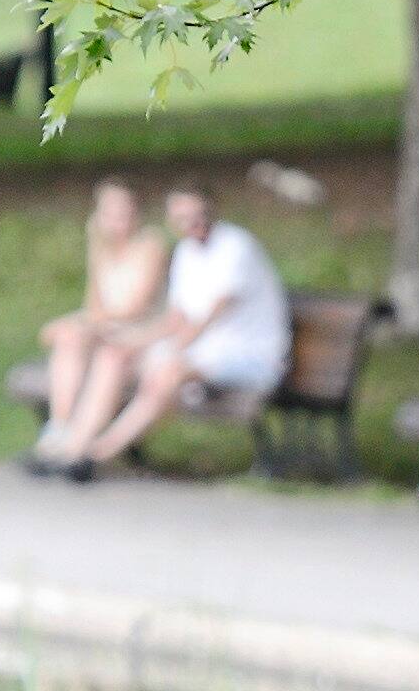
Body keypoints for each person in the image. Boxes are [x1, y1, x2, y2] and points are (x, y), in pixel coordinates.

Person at [52, 188, 291, 479]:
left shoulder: (235, 246)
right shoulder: (186, 253)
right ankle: (72, 447)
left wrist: (167, 352)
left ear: (212, 211)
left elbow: (207, 319)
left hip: (248, 356)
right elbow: (176, 319)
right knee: (114, 356)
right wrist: (132, 343)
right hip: (201, 353)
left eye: (197, 215)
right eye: (181, 217)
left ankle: (98, 453)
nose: (191, 223)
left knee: (167, 372)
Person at [26, 180, 171, 473]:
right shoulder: (98, 239)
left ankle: (78, 447)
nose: (117, 221)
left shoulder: (151, 244)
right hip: (108, 329)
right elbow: (95, 301)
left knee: (108, 355)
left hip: (142, 334)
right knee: (69, 337)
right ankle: (59, 429)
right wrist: (80, 323)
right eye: (110, 213)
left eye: (124, 213)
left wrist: (87, 322)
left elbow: (136, 307)